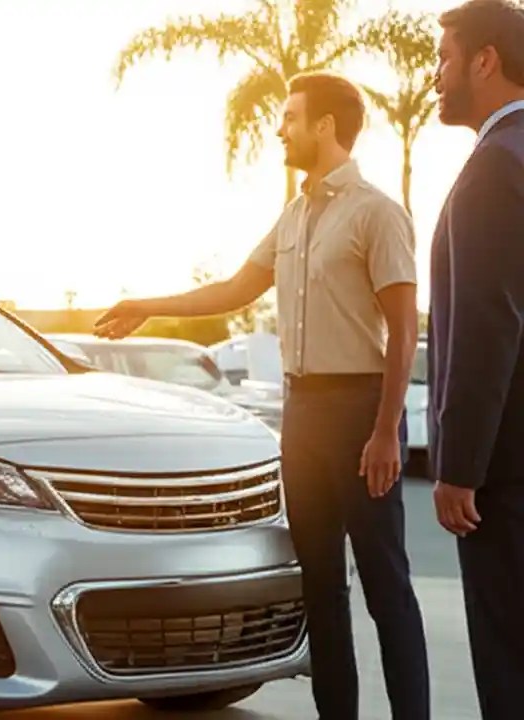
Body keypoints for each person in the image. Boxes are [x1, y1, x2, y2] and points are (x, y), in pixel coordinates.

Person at [94, 72, 429, 720]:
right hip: (301, 415)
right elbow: (231, 290)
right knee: (322, 590)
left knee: (387, 587)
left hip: (360, 414)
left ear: (325, 126)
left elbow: (404, 326)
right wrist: (148, 306)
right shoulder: (294, 215)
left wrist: (388, 429)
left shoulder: (377, 213)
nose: (280, 129)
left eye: (290, 117)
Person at [427, 2, 524, 716]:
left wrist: (458, 468)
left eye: (444, 59)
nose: (435, 78)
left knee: (508, 658)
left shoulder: (495, 167)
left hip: (507, 476)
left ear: (485, 61)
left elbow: (487, 323)